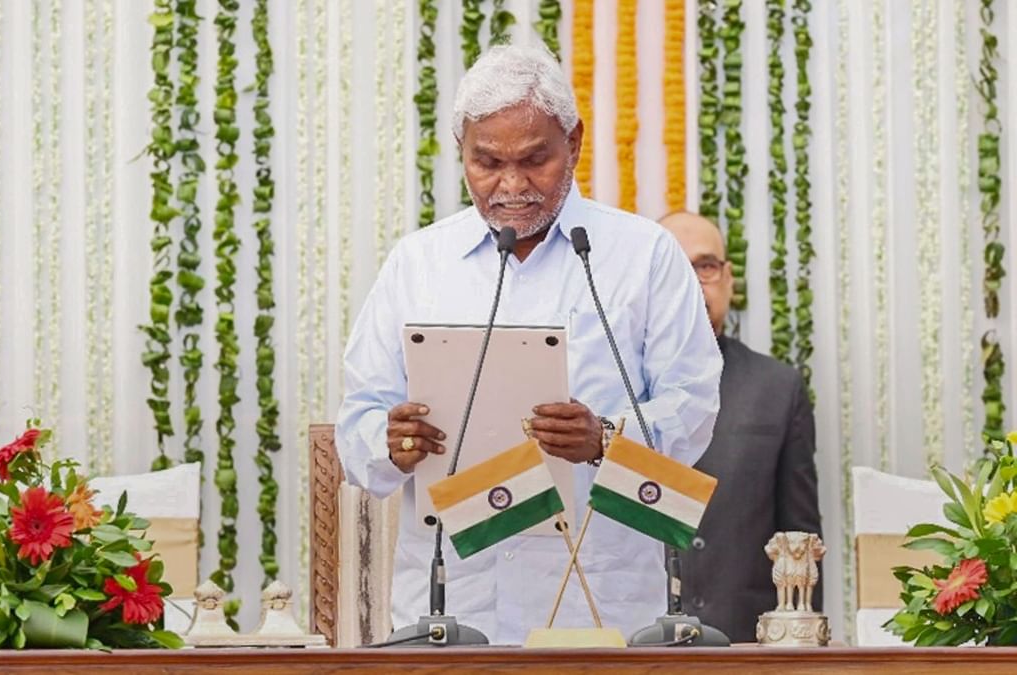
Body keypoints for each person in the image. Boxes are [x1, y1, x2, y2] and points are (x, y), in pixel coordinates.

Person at [335, 44, 723, 645]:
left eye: (535, 160)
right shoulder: (418, 264)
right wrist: (391, 443)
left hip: (600, 605)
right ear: (461, 148)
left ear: (574, 142)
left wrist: (605, 438)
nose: (512, 185)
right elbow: (358, 424)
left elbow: (693, 405)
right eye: (487, 162)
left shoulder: (643, 256)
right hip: (455, 605)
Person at [660, 210, 822, 643]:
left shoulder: (776, 387)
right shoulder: (613, 387)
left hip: (747, 644)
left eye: (706, 266)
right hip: (634, 644)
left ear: (729, 279)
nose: (694, 282)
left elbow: (800, 538)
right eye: (675, 267)